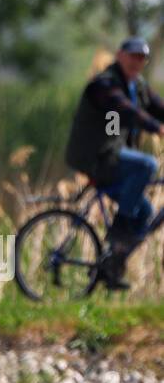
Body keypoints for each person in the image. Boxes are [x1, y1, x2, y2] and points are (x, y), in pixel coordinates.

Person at [65, 37, 164, 291]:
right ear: (119, 55)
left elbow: (158, 107)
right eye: (132, 56)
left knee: (143, 214)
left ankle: (112, 264)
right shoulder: (104, 84)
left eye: (142, 58)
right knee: (147, 165)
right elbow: (125, 109)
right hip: (98, 157)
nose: (136, 62)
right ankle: (119, 228)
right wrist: (156, 128)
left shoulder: (138, 85)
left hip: (115, 159)